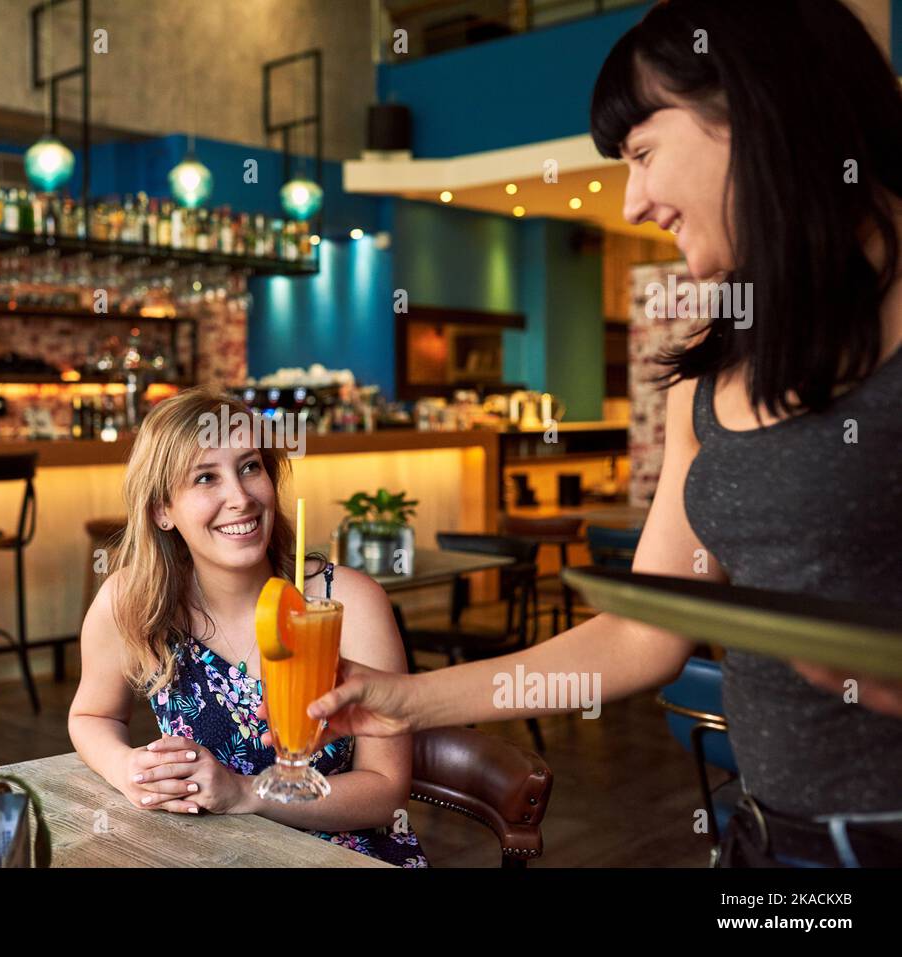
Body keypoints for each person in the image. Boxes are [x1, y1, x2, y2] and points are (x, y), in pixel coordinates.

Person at [294, 0, 902, 867]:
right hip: (770, 840)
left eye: (644, 153)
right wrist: (406, 701)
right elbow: (640, 634)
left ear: (755, 109)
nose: (635, 199)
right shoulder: (720, 369)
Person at [69, 387, 428, 867]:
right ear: (162, 511)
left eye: (250, 467)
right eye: (204, 478)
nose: (239, 498)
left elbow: (386, 792)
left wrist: (245, 792)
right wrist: (125, 767)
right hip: (204, 854)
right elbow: (91, 717)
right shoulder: (131, 601)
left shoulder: (348, 604)